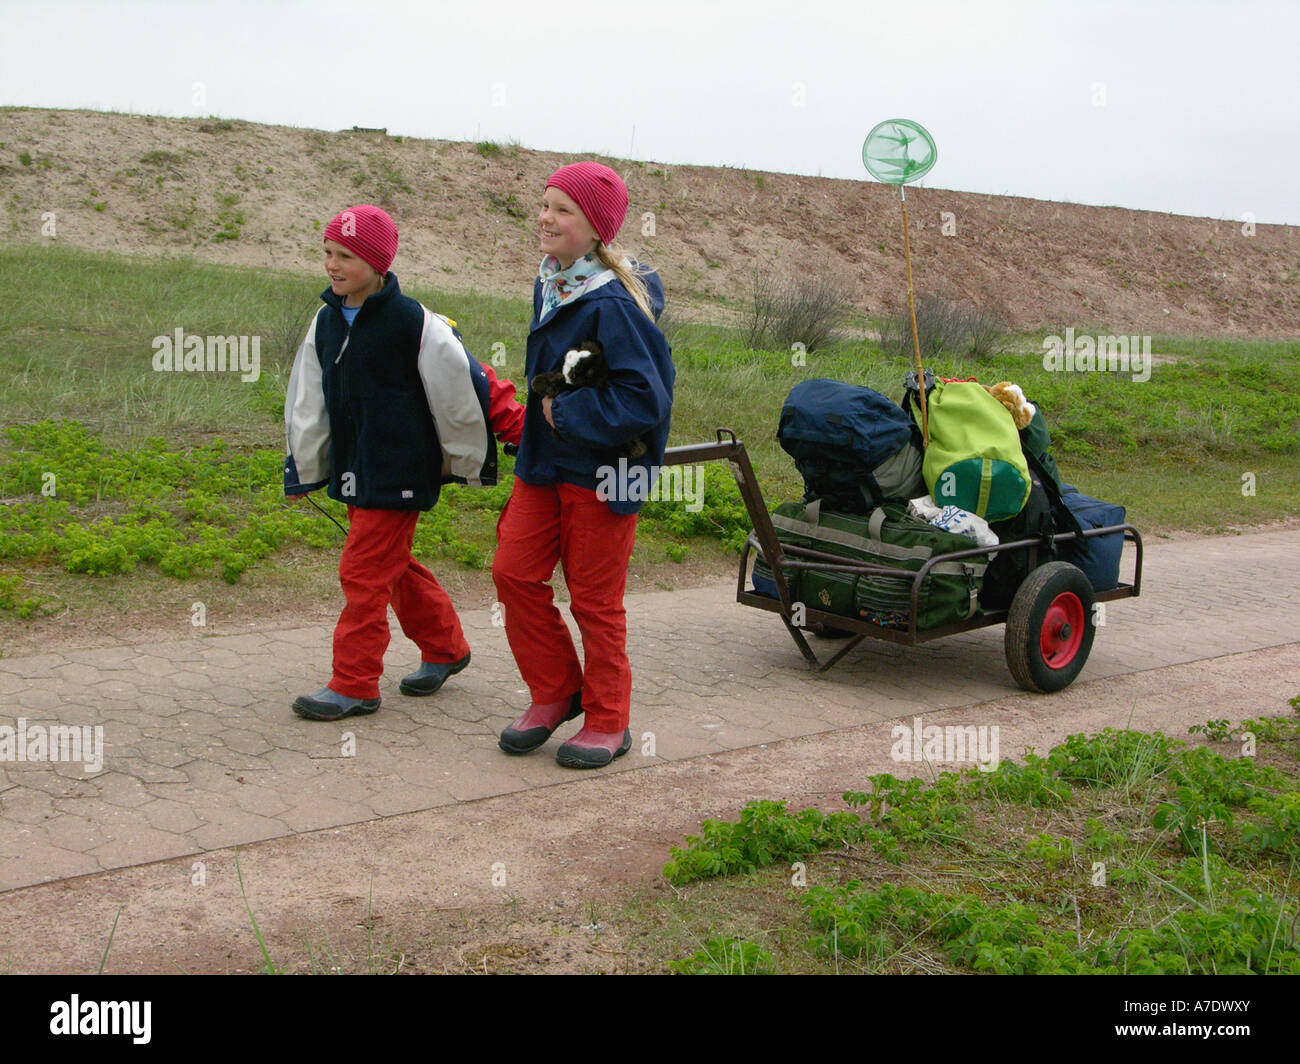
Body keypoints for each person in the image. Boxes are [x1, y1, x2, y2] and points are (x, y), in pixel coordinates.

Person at [284, 204, 524, 721]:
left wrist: (491, 446)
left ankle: (354, 684)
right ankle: (445, 647)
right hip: (356, 465)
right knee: (389, 568)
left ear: (378, 262)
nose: (333, 264)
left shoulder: (416, 323)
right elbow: (308, 398)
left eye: (346, 255)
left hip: (400, 470)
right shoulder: (325, 320)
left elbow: (466, 387)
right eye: (327, 252)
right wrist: (304, 465)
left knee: (363, 573)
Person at [492, 163, 675, 768]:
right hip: (545, 468)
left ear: (595, 227)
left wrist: (562, 416)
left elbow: (644, 400)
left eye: (563, 210)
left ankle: (607, 720)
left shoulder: (615, 304)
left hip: (607, 472)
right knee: (514, 573)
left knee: (595, 602)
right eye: (544, 205)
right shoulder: (553, 281)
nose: (546, 218)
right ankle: (555, 692)